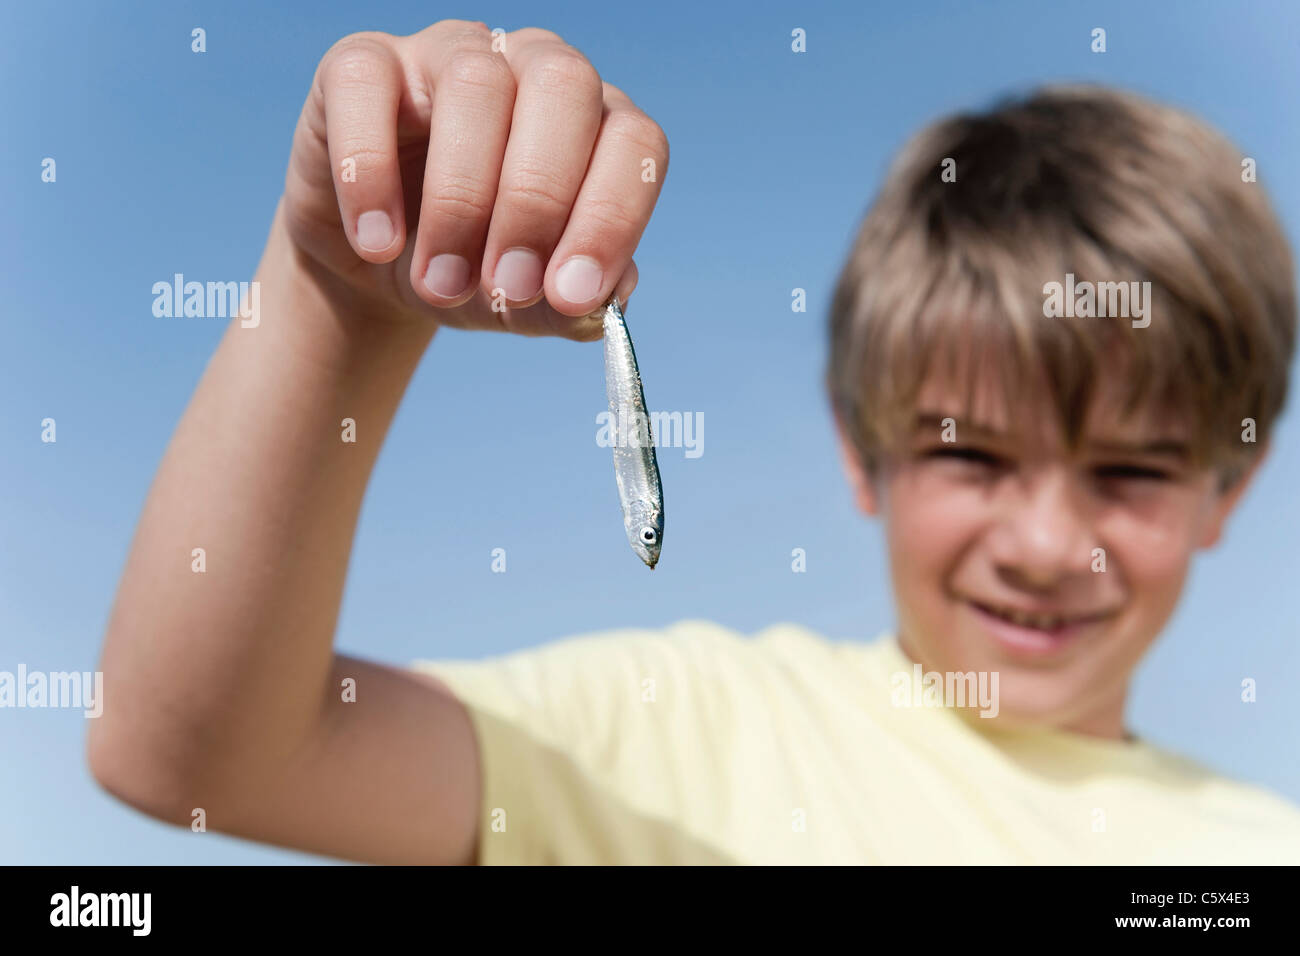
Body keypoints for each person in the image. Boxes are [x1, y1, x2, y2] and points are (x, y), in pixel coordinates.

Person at [89, 20, 1300, 864]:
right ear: (859, 452)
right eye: (967, 454)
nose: (1044, 543)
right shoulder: (688, 728)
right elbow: (193, 760)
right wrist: (332, 295)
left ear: (1227, 487)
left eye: (1131, 471)